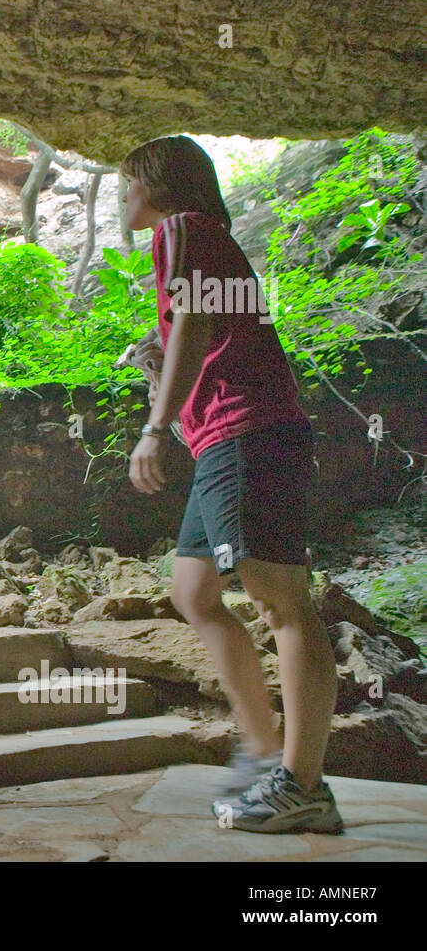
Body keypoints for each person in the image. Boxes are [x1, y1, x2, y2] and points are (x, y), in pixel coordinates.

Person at [121, 135, 340, 834]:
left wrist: (154, 429)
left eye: (128, 185)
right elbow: (204, 334)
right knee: (194, 592)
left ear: (158, 185)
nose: (124, 199)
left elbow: (196, 319)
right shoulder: (207, 238)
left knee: (281, 600)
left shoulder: (181, 229)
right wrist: (161, 375)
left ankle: (302, 784)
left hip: (251, 434)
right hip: (228, 438)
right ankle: (263, 751)